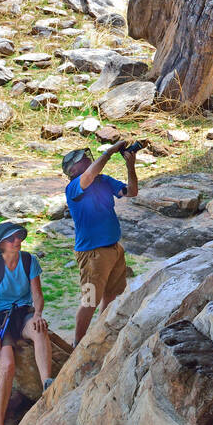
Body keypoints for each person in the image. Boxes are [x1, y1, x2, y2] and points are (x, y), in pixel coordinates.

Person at [0, 221, 52, 425]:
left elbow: (37, 295)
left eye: (19, 237)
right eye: (12, 239)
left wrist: (38, 314)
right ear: (2, 245)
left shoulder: (29, 260)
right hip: (3, 318)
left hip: (23, 313)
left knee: (39, 330)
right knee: (7, 366)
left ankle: (47, 386)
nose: (18, 242)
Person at [61, 141, 138, 345]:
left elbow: (131, 191)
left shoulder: (103, 180)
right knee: (89, 301)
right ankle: (78, 344)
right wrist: (110, 151)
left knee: (111, 295)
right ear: (73, 169)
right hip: (91, 254)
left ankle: (97, 336)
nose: (89, 158)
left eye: (88, 156)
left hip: (114, 249)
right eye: (83, 159)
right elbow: (87, 177)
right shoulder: (74, 187)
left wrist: (130, 165)